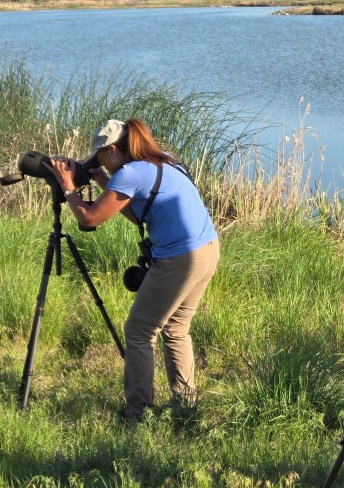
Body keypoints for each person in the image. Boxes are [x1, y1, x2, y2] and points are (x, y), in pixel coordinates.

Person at [47, 118, 220, 422]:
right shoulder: (162, 162)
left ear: (113, 150)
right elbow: (139, 212)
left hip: (179, 258)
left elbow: (89, 220)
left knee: (140, 331)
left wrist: (68, 187)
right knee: (177, 329)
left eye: (99, 155)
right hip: (207, 250)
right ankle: (186, 407)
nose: (97, 160)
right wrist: (102, 180)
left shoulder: (129, 173)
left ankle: (138, 413)